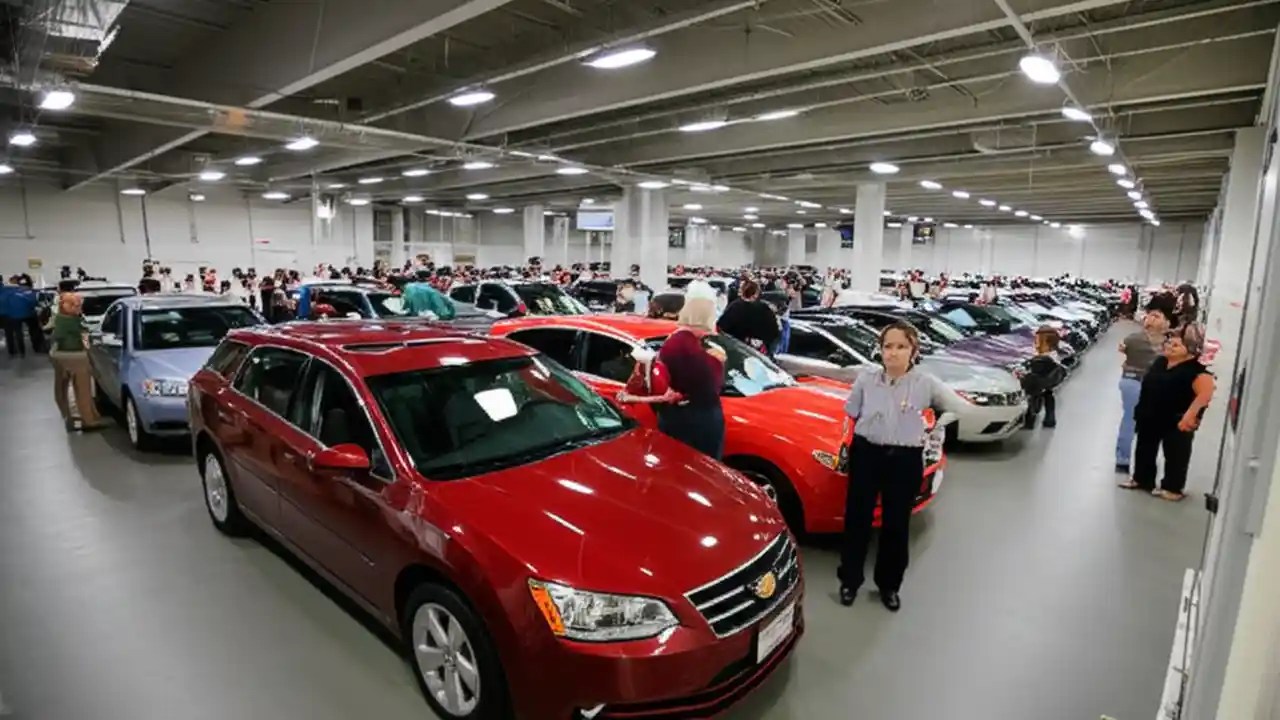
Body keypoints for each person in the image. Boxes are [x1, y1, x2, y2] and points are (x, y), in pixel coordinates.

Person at [839, 321, 950, 611]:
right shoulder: (866, 379)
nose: (893, 353)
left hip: (905, 459)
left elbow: (953, 406)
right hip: (867, 453)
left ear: (913, 350)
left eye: (901, 346)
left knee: (896, 524)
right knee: (857, 520)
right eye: (888, 346)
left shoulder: (925, 384)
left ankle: (889, 585)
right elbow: (850, 412)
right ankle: (850, 580)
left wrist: (934, 430)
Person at [1120, 323, 1215, 501]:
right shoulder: (1160, 362)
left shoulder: (1196, 371)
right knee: (1144, 448)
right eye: (1169, 343)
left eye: (1176, 345)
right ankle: (1142, 479)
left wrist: (1191, 415)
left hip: (1176, 419)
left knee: (1176, 453)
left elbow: (1205, 395)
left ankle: (1173, 488)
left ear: (1191, 350)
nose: (1169, 347)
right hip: (1150, 414)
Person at [648, 287, 726, 458]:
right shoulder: (686, 346)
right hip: (694, 421)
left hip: (677, 416)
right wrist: (718, 361)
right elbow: (711, 384)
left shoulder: (676, 341)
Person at [1116, 308, 1169, 473]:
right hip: (1154, 385)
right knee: (1151, 423)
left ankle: (1122, 460)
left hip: (1130, 380)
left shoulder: (1131, 339)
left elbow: (1124, 353)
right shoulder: (1168, 344)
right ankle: (1146, 460)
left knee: (1129, 420)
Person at [48, 293, 106, 432]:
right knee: (83, 390)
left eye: (79, 305)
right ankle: (89, 420)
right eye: (76, 305)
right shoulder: (72, 321)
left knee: (62, 389)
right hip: (76, 357)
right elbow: (84, 339)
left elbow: (55, 337)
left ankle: (69, 418)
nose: (79, 308)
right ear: (66, 305)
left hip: (60, 357)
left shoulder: (59, 319)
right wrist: (88, 348)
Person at [716, 280, 779, 354]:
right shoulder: (764, 308)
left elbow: (721, 327)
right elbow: (774, 331)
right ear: (756, 293)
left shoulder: (735, 307)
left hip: (736, 348)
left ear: (742, 291)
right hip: (758, 352)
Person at [1020, 326, 1066, 429]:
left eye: (1037, 339)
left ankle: (1030, 420)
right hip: (1049, 381)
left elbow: (1034, 370)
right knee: (1048, 396)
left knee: (1034, 398)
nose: (1035, 341)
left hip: (1039, 382)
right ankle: (1050, 419)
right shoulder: (1054, 354)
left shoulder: (1042, 358)